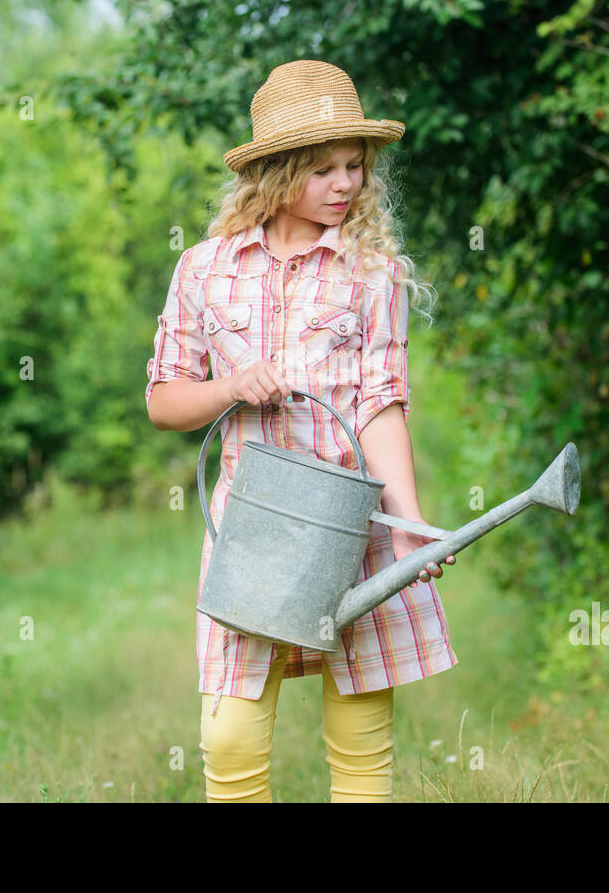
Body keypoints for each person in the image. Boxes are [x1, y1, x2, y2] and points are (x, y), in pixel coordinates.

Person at [144, 59, 458, 802]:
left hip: (354, 527)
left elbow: (383, 400)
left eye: (355, 166)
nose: (346, 184)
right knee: (228, 737)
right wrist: (230, 387)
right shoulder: (204, 270)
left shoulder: (372, 273)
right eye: (323, 170)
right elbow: (163, 400)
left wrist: (408, 525)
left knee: (359, 742)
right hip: (251, 533)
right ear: (277, 174)